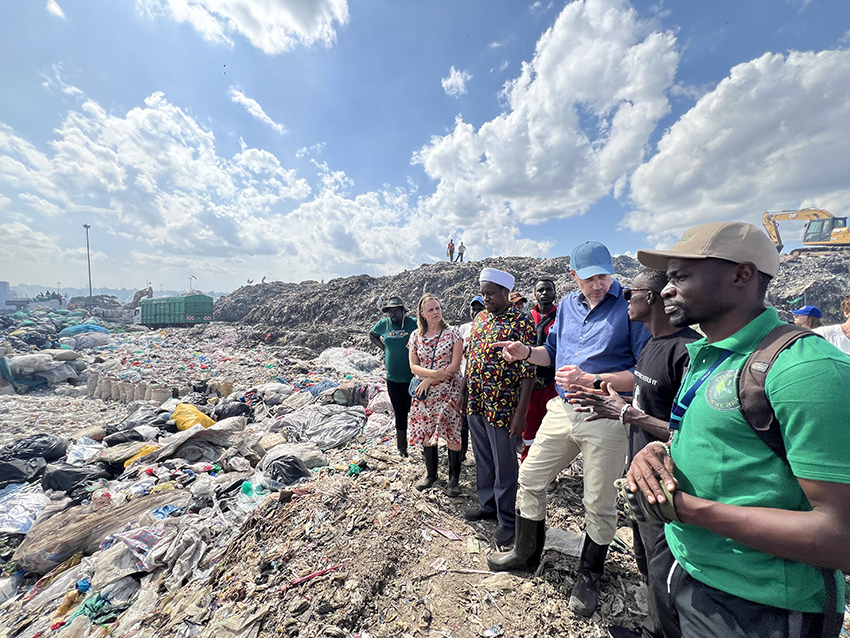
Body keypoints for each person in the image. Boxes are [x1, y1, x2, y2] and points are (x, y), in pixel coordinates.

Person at [627, 221, 850, 638]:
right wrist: (655, 453)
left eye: (680, 276)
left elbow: (841, 537)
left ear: (741, 275)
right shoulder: (708, 355)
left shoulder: (806, 369)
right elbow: (712, 442)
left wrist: (690, 510)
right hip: (687, 568)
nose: (666, 290)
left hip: (760, 606)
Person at [486, 241, 650, 619]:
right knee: (530, 477)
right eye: (589, 278)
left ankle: (589, 574)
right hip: (562, 410)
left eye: (604, 276)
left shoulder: (627, 308)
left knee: (598, 501)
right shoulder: (568, 309)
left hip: (605, 415)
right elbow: (553, 354)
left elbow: (642, 372)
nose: (598, 284)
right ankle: (526, 552)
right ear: (573, 277)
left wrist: (592, 379)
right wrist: (526, 352)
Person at [567, 268, 699, 638]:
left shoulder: (686, 351)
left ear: (651, 298)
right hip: (639, 474)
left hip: (669, 483)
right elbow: (647, 402)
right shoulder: (652, 345)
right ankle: (652, 628)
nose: (625, 300)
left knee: (667, 571)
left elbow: (691, 430)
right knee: (646, 561)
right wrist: (610, 401)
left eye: (631, 294)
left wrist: (628, 414)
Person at [464, 268, 535, 547]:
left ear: (506, 292)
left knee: (505, 463)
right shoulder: (480, 318)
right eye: (483, 294)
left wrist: (521, 412)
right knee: (483, 456)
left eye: (490, 293)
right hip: (477, 400)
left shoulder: (522, 321)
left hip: (503, 404)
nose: (486, 299)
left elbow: (529, 371)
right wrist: (464, 393)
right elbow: (471, 358)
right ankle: (488, 505)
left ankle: (507, 519)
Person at [408, 293, 465, 496]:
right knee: (426, 431)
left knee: (452, 432)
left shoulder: (453, 334)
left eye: (437, 308)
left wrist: (431, 378)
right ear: (422, 314)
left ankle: (453, 480)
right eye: (430, 309)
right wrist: (432, 376)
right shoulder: (415, 336)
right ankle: (431, 475)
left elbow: (455, 366)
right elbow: (413, 366)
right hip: (425, 393)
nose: (435, 312)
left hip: (449, 390)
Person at [369, 295, 418, 457]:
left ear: (403, 311)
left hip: (413, 379)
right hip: (393, 379)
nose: (393, 314)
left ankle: (421, 443)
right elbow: (372, 334)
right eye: (390, 311)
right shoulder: (384, 324)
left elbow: (425, 336)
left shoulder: (413, 323)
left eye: (396, 310)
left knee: (417, 412)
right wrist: (385, 348)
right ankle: (402, 448)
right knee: (399, 412)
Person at [519, 278, 559, 462]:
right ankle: (527, 462)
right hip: (529, 381)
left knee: (550, 424)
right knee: (530, 423)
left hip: (553, 380)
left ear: (554, 292)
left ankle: (547, 468)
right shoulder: (526, 318)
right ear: (534, 294)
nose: (544, 293)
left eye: (548, 290)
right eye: (540, 290)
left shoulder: (562, 316)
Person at [458, 295, 487, 461]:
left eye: (479, 309)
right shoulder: (464, 328)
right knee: (463, 420)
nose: (476, 312)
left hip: (483, 382)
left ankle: (481, 455)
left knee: (479, 420)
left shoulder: (489, 326)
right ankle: (461, 454)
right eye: (473, 309)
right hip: (464, 379)